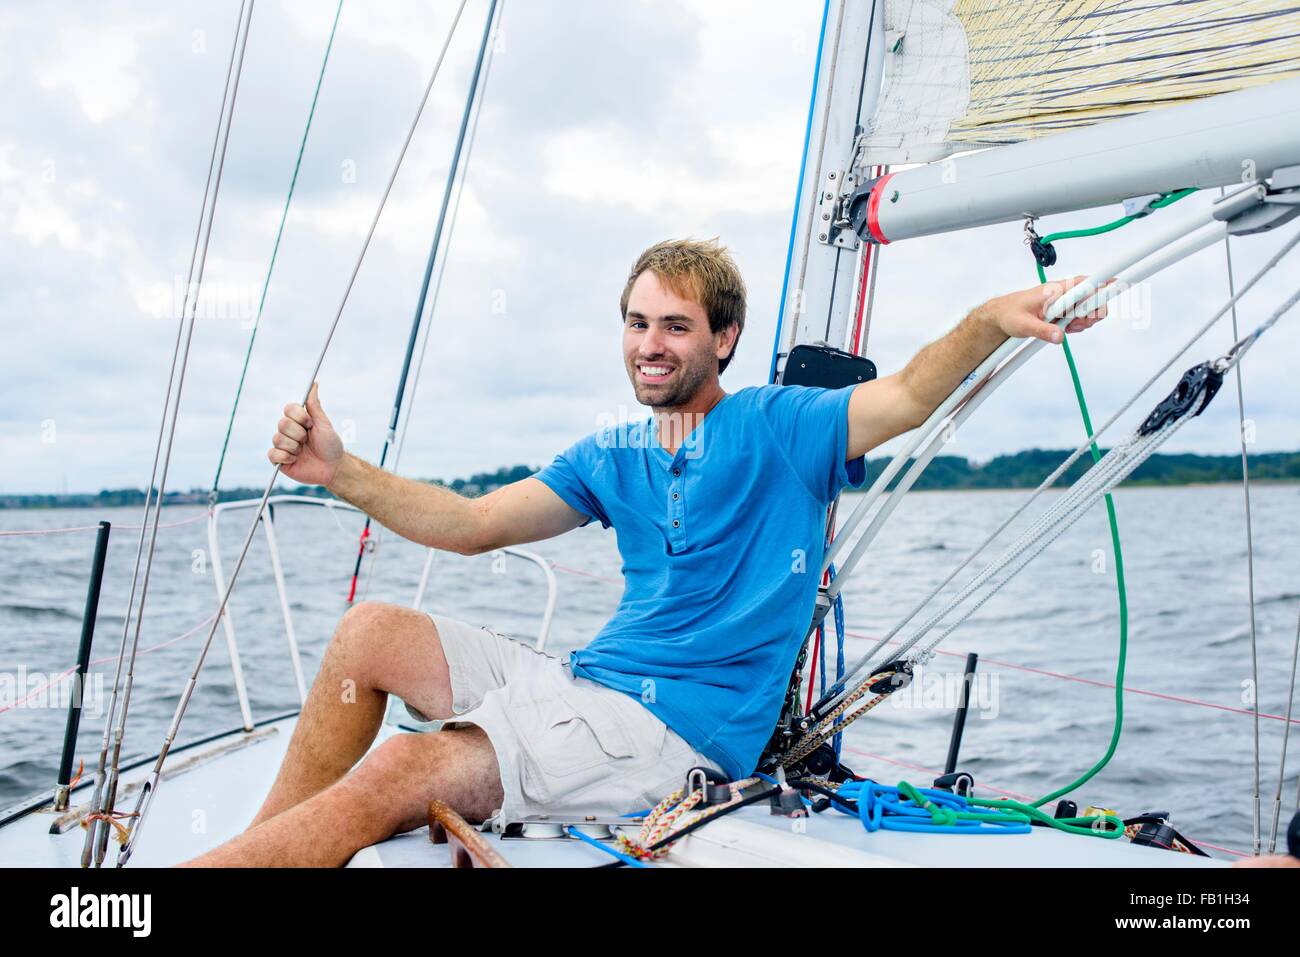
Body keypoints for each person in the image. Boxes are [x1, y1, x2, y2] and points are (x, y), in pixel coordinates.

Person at [183, 238, 1105, 866]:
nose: (650, 345)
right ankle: (269, 849)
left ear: (724, 338)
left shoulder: (781, 427)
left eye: (675, 325)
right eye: (636, 322)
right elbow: (470, 524)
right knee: (369, 631)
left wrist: (987, 320)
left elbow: (906, 394)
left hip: (673, 737)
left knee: (404, 768)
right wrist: (338, 469)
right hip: (587, 684)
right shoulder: (610, 455)